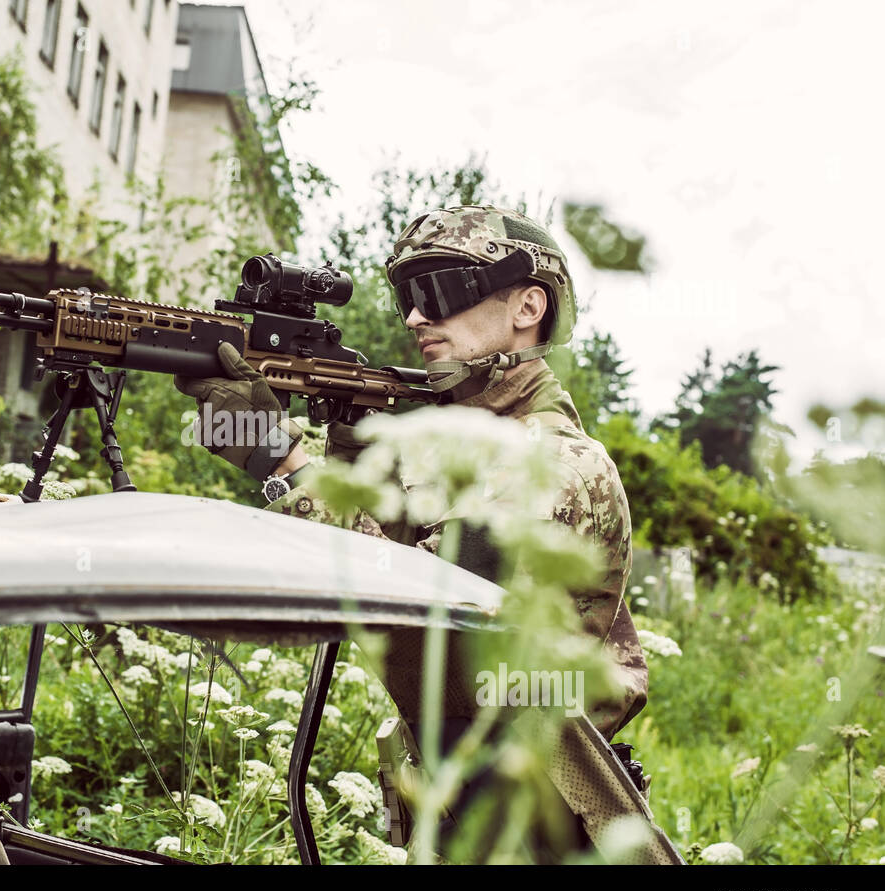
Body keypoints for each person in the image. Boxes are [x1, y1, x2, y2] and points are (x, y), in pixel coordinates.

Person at [174, 206, 648, 846]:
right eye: (408, 297)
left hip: (540, 826)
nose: (416, 317)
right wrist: (354, 456)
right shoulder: (467, 452)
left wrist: (278, 457)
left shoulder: (551, 461)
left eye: (441, 290)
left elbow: (415, 613)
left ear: (528, 306)